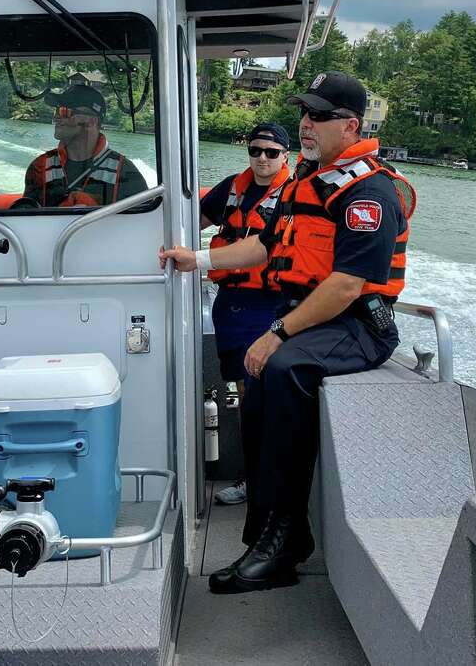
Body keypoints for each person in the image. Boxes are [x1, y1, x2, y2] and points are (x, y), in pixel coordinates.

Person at [160, 71, 416, 595]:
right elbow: (261, 249)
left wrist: (276, 332)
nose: (306, 123)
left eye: (319, 116)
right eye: (305, 113)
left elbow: (346, 286)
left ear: (351, 125)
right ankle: (267, 536)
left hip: (359, 326)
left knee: (282, 367)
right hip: (314, 316)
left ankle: (282, 541)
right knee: (257, 389)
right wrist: (197, 259)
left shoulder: (369, 192)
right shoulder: (304, 184)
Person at [200, 123, 292, 506]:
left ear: (286, 155)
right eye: (256, 150)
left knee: (266, 395)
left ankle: (268, 485)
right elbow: (191, 222)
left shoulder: (294, 194)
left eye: (272, 152)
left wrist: (199, 259)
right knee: (243, 394)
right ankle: (251, 479)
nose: (263, 159)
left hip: (271, 306)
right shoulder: (231, 189)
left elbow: (268, 248)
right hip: (231, 306)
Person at [22, 85, 147, 207]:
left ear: (92, 122)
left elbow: (141, 222)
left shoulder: (125, 172)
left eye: (65, 112)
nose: (56, 117)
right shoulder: (39, 166)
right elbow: (28, 218)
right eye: (56, 111)